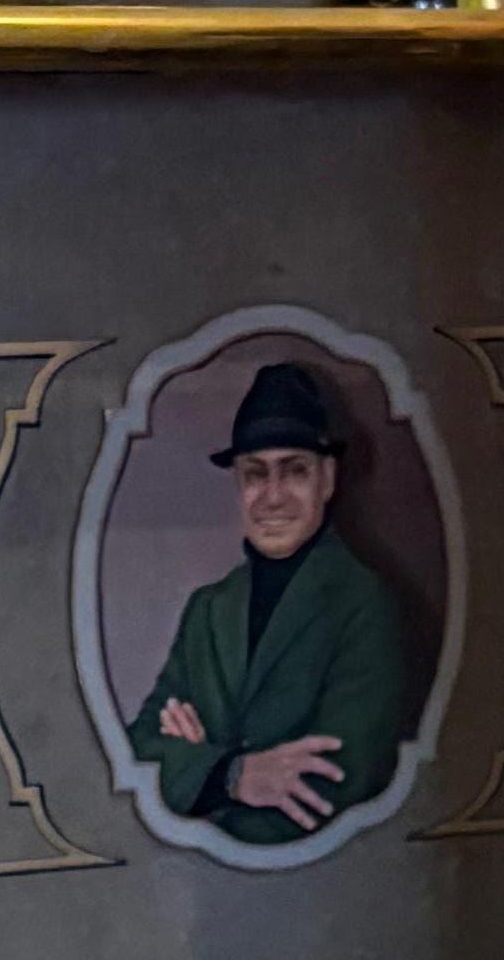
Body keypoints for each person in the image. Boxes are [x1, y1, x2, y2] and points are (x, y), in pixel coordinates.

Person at [125, 356, 417, 845]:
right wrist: (233, 775)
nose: (272, 496)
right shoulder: (207, 610)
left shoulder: (367, 605)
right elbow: (138, 755)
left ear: (328, 479)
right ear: (238, 485)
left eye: (294, 471)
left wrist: (198, 772)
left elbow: (331, 788)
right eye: (255, 474)